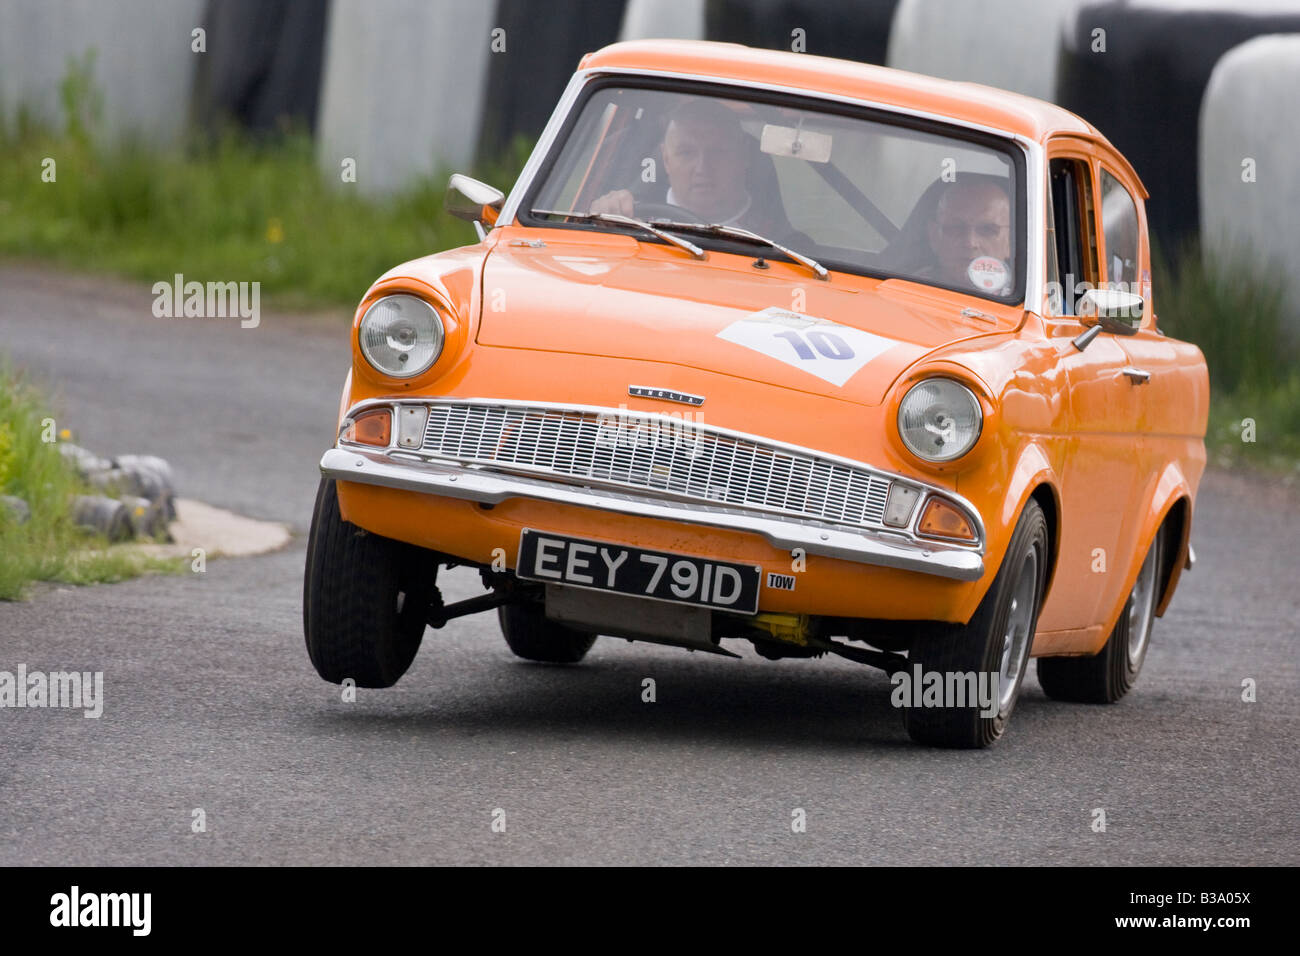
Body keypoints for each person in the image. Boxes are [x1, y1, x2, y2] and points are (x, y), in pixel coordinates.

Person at [589, 98, 759, 227]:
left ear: (744, 156)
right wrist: (598, 220)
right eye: (686, 153)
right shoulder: (627, 220)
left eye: (718, 153)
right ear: (666, 159)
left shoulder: (777, 241)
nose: (702, 168)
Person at [923, 178, 1012, 289]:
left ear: (1010, 242)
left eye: (988, 230)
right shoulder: (907, 290)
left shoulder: (1033, 297)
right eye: (955, 228)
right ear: (934, 237)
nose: (970, 243)